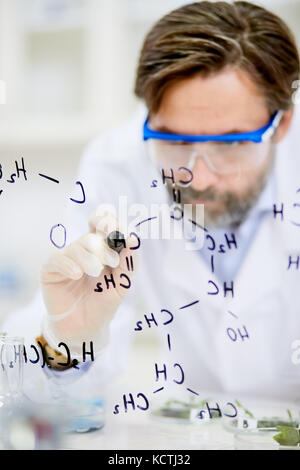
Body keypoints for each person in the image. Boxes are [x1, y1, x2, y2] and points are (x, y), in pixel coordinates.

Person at [3, 0, 300, 404]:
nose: (199, 176)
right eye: (174, 141)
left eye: (232, 143)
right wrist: (67, 339)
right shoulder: (118, 163)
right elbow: (42, 381)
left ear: (282, 123)